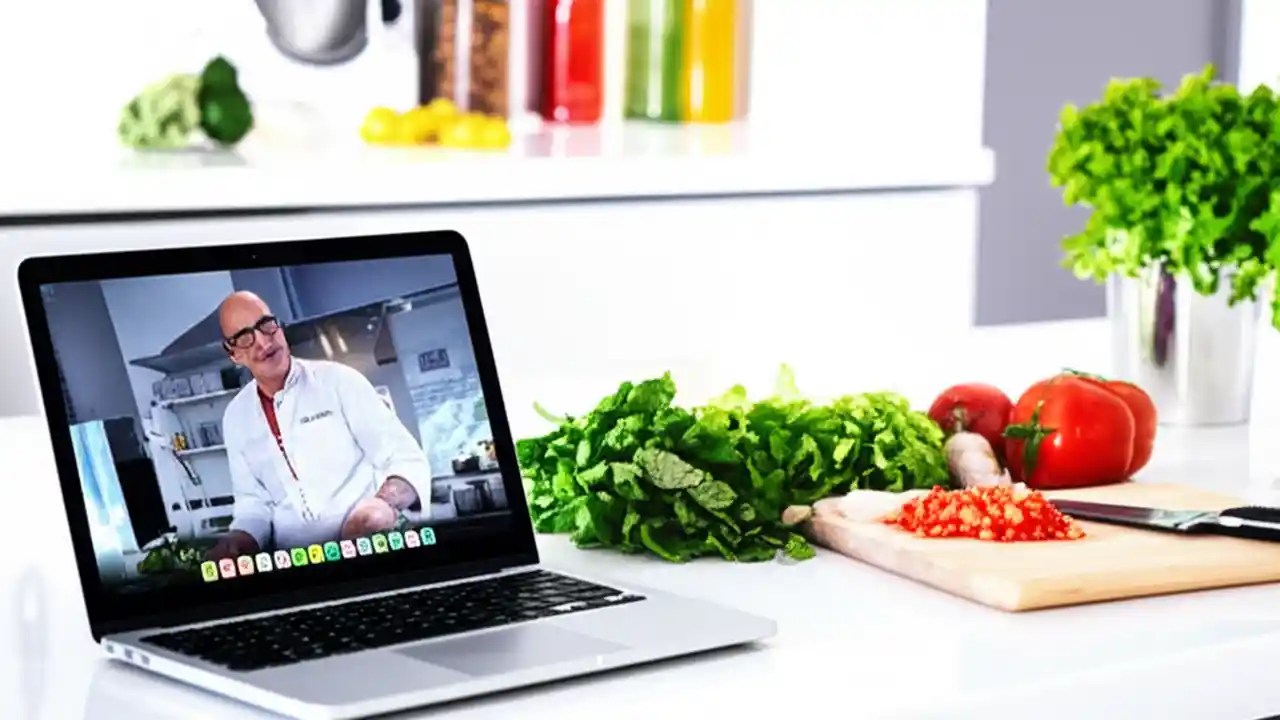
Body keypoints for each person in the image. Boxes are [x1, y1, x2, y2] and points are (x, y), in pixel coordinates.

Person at [207, 291, 432, 561]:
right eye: (245, 337)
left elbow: (406, 459)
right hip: (296, 567)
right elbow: (253, 504)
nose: (263, 341)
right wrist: (238, 541)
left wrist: (381, 505)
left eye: (265, 324)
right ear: (233, 354)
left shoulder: (339, 381)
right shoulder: (236, 417)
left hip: (366, 551)